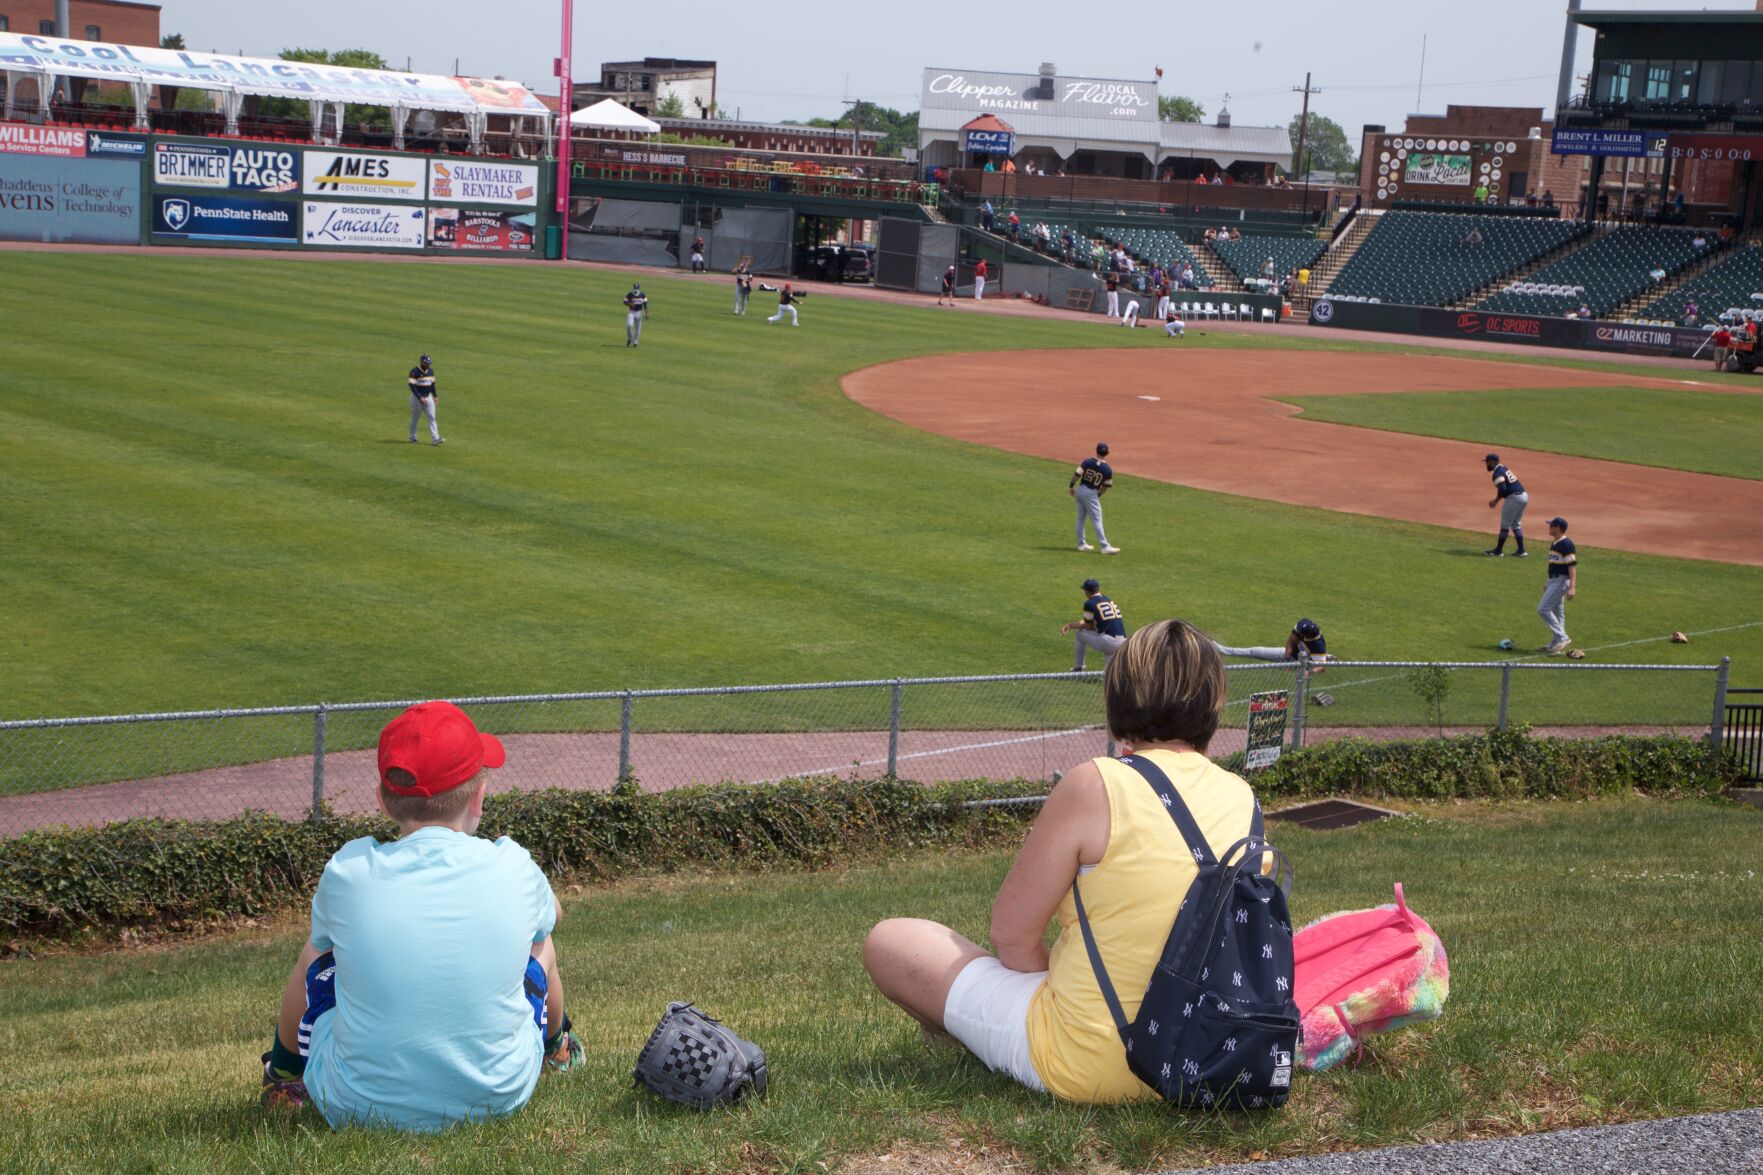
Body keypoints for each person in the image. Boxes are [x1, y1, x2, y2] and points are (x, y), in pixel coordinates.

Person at [862, 620, 1262, 1103]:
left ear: (1118, 699)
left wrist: (1061, 984)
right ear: (1213, 705)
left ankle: (980, 1040)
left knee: (891, 940)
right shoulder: (1243, 797)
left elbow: (1011, 937)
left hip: (1085, 1064)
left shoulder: (1095, 783)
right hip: (1208, 1059)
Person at [259, 701, 582, 1129]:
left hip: (353, 1104)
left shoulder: (349, 870)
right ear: (479, 798)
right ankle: (557, 1048)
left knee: (318, 955)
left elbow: (320, 957)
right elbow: (553, 915)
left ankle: (283, 1074)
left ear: (383, 801)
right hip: (498, 1093)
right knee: (541, 939)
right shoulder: (513, 865)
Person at [1063, 578, 1126, 671]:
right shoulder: (1108, 599)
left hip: (1108, 641)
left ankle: (1079, 668)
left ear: (1086, 591)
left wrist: (1071, 625)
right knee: (1109, 674)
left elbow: (1088, 626)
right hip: (1123, 642)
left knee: (1080, 634)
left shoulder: (1090, 603)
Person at [1069, 442, 1120, 555]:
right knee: (1097, 520)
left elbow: (1076, 474)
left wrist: (1071, 486)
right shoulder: (1107, 469)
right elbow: (1106, 486)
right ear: (1107, 453)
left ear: (1096, 450)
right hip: (1092, 493)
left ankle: (1081, 544)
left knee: (1080, 519)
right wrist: (1098, 496)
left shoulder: (1087, 462)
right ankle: (1104, 546)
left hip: (1080, 490)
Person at [1537, 517, 1577, 654]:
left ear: (1558, 528)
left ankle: (1562, 637)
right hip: (1554, 581)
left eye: (1551, 525)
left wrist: (1572, 587)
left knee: (1542, 609)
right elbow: (1553, 565)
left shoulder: (1566, 544)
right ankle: (1554, 645)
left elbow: (1572, 567)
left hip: (1561, 581)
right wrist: (1548, 582)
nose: (1549, 527)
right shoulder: (1555, 543)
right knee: (1557, 612)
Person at [1213, 618, 1329, 666]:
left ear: (1307, 634)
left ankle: (1325, 657)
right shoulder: (1303, 625)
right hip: (1288, 656)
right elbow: (1290, 643)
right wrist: (1288, 659)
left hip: (1301, 664)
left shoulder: (1318, 645)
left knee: (1318, 660)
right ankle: (1223, 650)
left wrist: (1306, 672)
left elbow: (1320, 668)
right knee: (1255, 651)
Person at [1482, 453, 1529, 557]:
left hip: (1514, 498)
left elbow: (1503, 490)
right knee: (1516, 524)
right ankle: (1521, 551)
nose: (1487, 464)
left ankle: (1498, 551)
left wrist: (1495, 501)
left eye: (1488, 462)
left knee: (1505, 525)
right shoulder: (1504, 468)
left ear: (1493, 462)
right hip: (1524, 496)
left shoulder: (1497, 473)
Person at [406, 355, 442, 446]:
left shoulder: (430, 371)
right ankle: (412, 437)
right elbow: (412, 386)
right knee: (415, 418)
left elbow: (432, 385)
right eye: (426, 363)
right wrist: (419, 397)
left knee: (432, 418)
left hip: (428, 397)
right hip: (416, 398)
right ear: (421, 362)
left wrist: (435, 396)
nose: (428, 365)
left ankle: (435, 438)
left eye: (429, 363)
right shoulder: (414, 372)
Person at [624, 283, 648, 348]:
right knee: (628, 326)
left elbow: (645, 304)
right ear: (633, 288)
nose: (635, 289)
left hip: (639, 313)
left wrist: (646, 313)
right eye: (635, 288)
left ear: (639, 288)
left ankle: (635, 342)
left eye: (637, 288)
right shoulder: (630, 294)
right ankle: (629, 339)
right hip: (631, 312)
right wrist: (630, 304)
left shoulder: (642, 294)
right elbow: (625, 302)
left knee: (637, 329)